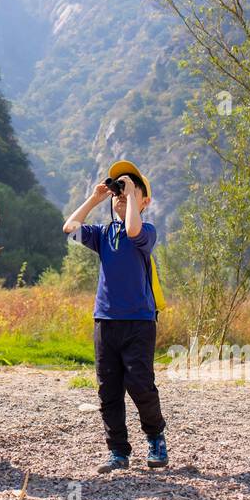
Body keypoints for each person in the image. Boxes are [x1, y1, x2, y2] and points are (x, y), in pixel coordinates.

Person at [62, 160, 168, 473]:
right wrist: (95, 198)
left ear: (145, 201)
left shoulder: (146, 232)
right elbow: (69, 228)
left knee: (140, 383)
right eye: (118, 190)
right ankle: (118, 451)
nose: (121, 194)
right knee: (108, 390)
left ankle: (155, 436)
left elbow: (133, 227)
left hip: (139, 321)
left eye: (131, 190)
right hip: (105, 321)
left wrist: (131, 194)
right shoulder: (103, 234)